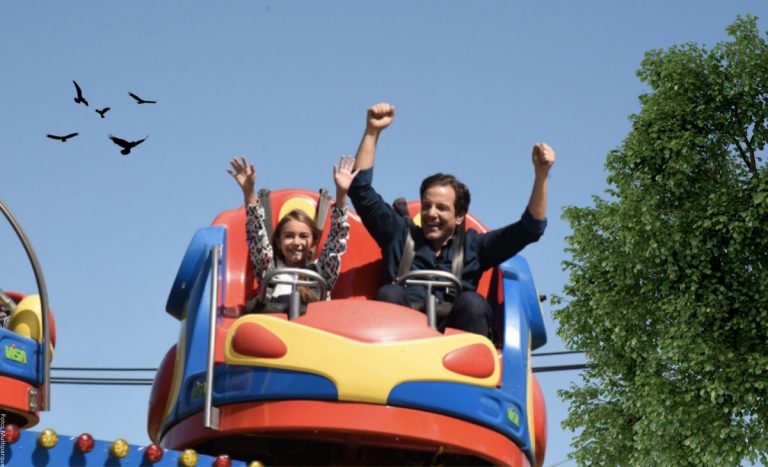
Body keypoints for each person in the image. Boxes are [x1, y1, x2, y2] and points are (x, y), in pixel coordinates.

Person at [347, 103, 555, 338]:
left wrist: (541, 176)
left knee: (472, 303)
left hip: (454, 352)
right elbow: (361, 191)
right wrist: (372, 132)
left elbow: (530, 229)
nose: (431, 213)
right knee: (390, 293)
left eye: (441, 208)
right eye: (427, 206)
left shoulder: (473, 247)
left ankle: (471, 370)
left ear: (459, 217)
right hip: (399, 345)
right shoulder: (399, 234)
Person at [228, 155, 358, 305]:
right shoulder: (270, 269)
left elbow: (337, 238)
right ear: (278, 241)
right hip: (275, 326)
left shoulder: (321, 272)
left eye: (303, 236)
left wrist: (341, 194)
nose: (296, 242)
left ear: (314, 242)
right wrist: (249, 192)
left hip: (309, 326)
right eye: (289, 236)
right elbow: (256, 234)